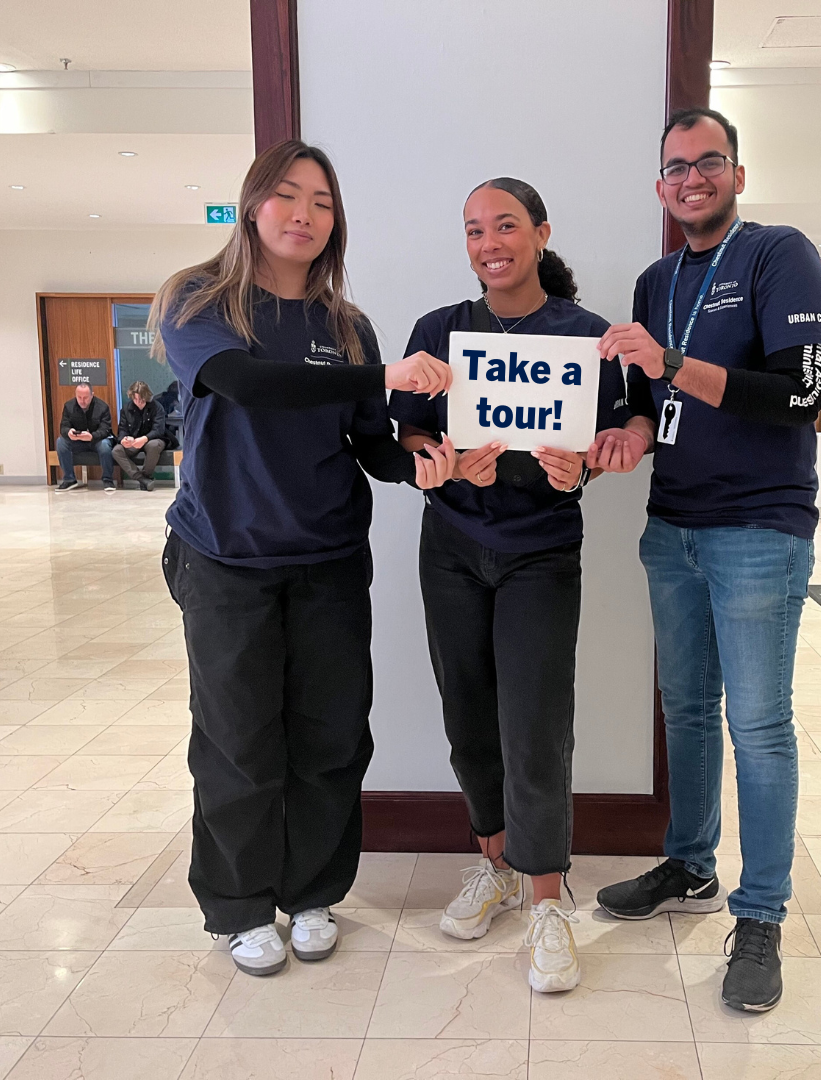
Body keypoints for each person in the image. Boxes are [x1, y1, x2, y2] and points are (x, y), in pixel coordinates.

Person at [150, 139, 455, 977]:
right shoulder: (198, 299)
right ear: (253, 206)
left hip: (325, 560)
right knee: (237, 740)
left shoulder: (347, 328)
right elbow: (248, 385)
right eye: (287, 195)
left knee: (329, 736)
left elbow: (368, 441)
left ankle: (313, 892)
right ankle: (240, 907)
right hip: (225, 556)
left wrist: (424, 460)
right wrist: (380, 374)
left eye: (322, 202)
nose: (304, 214)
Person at [590, 107, 821, 1012]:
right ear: (660, 186)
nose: (692, 179)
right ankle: (690, 866)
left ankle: (760, 912)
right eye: (676, 168)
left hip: (758, 530)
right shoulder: (658, 280)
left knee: (759, 727)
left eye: (708, 163)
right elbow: (661, 404)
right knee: (687, 710)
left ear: (736, 172)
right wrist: (627, 437)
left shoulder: (779, 254)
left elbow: (800, 394)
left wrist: (672, 361)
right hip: (674, 528)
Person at [390, 177, 630, 994]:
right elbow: (409, 430)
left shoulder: (586, 337)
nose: (489, 243)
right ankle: (491, 863)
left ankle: (548, 897)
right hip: (452, 545)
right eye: (473, 231)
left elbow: (612, 439)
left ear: (539, 233)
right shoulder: (439, 331)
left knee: (535, 720)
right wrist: (441, 459)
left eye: (505, 226)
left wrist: (583, 468)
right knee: (467, 712)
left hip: (540, 553)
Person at [112, 380, 172, 490]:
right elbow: (122, 429)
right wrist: (124, 439)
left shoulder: (157, 407)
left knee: (153, 445)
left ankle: (146, 476)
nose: (138, 402)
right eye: (135, 399)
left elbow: (159, 430)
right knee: (117, 450)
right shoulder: (126, 409)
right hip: (133, 441)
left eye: (141, 399)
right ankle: (142, 479)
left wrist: (144, 439)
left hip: (153, 439)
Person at [55, 382, 115, 491]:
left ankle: (108, 480)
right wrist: (69, 432)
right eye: (79, 397)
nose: (82, 400)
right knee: (60, 442)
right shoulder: (69, 406)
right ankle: (69, 479)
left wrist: (92, 436)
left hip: (96, 440)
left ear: (92, 395)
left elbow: (106, 430)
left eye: (86, 397)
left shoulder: (102, 407)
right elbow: (63, 427)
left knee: (105, 445)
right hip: (77, 441)